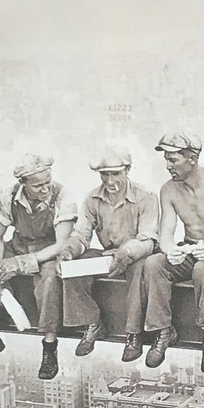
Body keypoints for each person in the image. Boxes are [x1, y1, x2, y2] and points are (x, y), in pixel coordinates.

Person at [0, 153, 77, 380]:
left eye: (48, 182)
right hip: (19, 244)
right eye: (37, 186)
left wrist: (19, 264)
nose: (45, 189)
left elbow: (60, 244)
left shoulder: (63, 197)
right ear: (23, 184)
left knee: (50, 280)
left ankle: (49, 345)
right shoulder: (8, 197)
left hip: (47, 251)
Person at [141, 132, 204, 372]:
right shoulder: (169, 190)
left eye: (173, 160)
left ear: (192, 158)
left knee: (203, 270)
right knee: (154, 264)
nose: (167, 166)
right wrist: (170, 250)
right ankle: (163, 330)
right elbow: (166, 233)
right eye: (166, 159)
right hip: (190, 247)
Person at [57, 145, 159, 362]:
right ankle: (92, 322)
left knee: (139, 269)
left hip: (136, 253)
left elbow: (148, 239)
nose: (110, 181)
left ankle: (133, 333)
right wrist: (69, 250)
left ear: (127, 170)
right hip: (109, 255)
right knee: (73, 268)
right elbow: (82, 234)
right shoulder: (93, 198)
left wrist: (127, 253)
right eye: (105, 175)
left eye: (116, 174)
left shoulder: (145, 197)